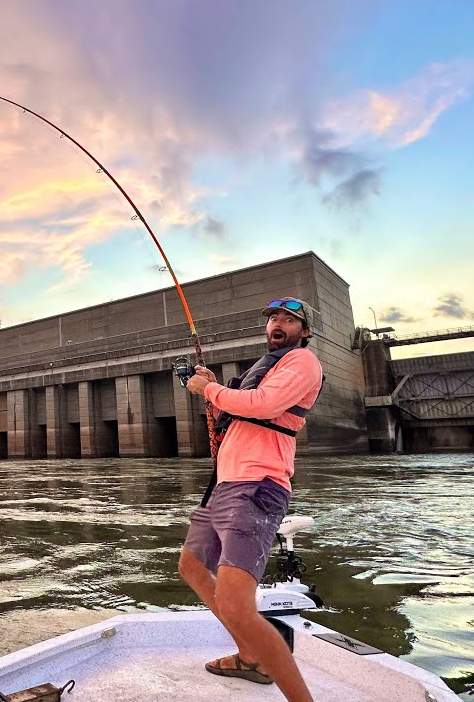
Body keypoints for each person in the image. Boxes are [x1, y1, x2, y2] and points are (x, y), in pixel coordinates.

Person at [180, 297, 323, 702]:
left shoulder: (302, 363)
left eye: (289, 319)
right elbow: (241, 406)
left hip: (257, 484)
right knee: (191, 567)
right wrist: (214, 388)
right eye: (274, 318)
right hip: (225, 484)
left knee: (237, 604)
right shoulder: (264, 368)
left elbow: (263, 405)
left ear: (304, 331)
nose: (278, 323)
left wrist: (209, 388)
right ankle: (250, 656)